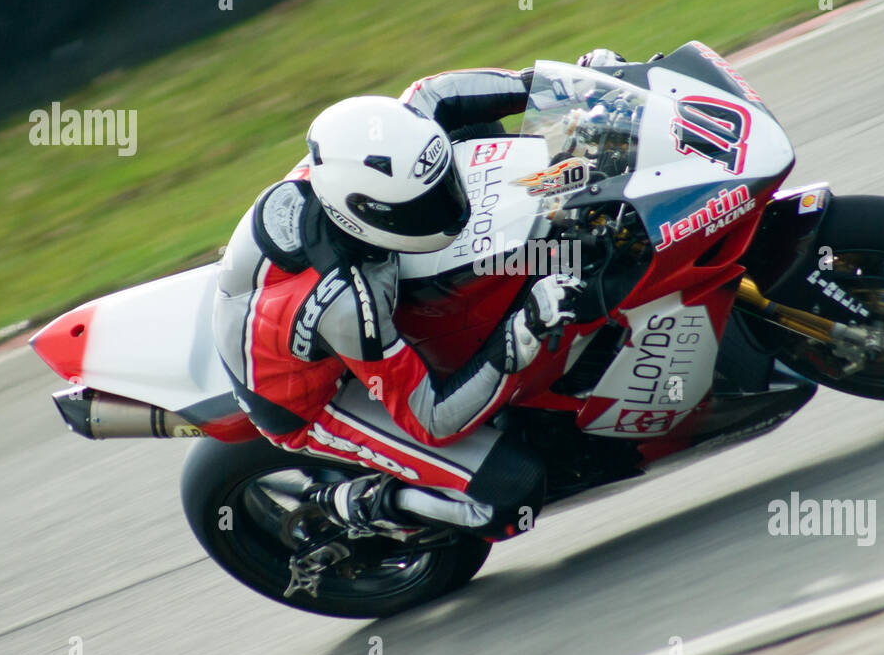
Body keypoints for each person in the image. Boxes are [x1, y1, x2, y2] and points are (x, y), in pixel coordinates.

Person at [212, 49, 625, 542]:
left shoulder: (375, 154)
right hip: (312, 399)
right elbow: (433, 419)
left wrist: (577, 86)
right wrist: (523, 332)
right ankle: (360, 506)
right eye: (426, 205)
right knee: (511, 495)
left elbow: (435, 94)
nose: (452, 204)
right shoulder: (345, 301)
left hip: (303, 299)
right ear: (369, 215)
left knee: (480, 133)